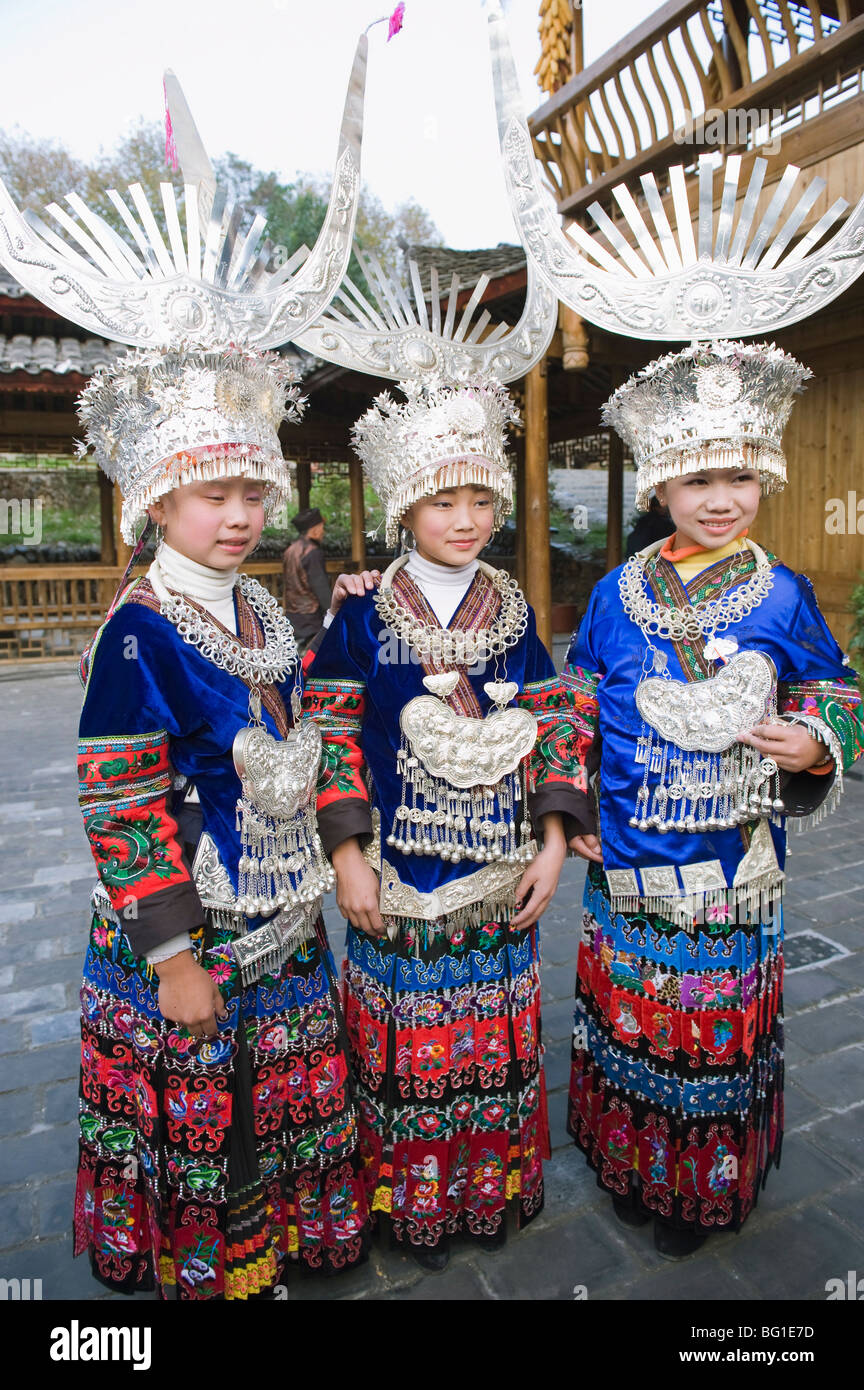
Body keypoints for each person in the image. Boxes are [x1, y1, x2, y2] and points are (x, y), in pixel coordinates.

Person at [73, 347, 370, 1298]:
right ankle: (217, 1269)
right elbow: (120, 798)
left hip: (280, 905)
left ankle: (280, 1244)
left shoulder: (252, 604)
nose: (240, 515)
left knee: (278, 1090)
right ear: (158, 501)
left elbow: (293, 726)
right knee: (217, 1102)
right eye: (211, 495)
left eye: (253, 491)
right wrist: (171, 957)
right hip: (192, 921)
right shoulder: (141, 626)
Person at [562, 340, 864, 1258]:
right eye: (696, 480)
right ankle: (630, 1165)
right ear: (659, 487)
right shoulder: (614, 593)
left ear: (764, 478)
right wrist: (568, 806)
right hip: (624, 861)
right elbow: (574, 705)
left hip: (731, 867)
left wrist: (816, 740)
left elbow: (839, 690)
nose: (719, 498)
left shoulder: (784, 593)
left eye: (738, 476)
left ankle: (699, 1189)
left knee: (709, 1035)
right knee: (630, 1021)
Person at [303, 376, 588, 1270]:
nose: (464, 519)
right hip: (399, 869)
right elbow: (333, 733)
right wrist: (349, 856)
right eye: (442, 500)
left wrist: (552, 841)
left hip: (499, 869)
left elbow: (551, 718)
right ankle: (411, 1201)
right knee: (406, 1042)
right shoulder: (360, 609)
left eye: (479, 499)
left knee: (490, 1033)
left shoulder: (512, 607)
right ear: (404, 506)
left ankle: (488, 1187)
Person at [282, 507, 332, 653]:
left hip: (293, 614)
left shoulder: (289, 550)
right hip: (311, 618)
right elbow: (321, 588)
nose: (323, 532)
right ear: (315, 530)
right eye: (322, 528)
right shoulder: (313, 553)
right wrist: (333, 612)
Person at [625, 493, 674, 557]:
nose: (668, 509)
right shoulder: (662, 523)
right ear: (658, 507)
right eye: (666, 506)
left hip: (635, 555)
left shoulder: (643, 520)